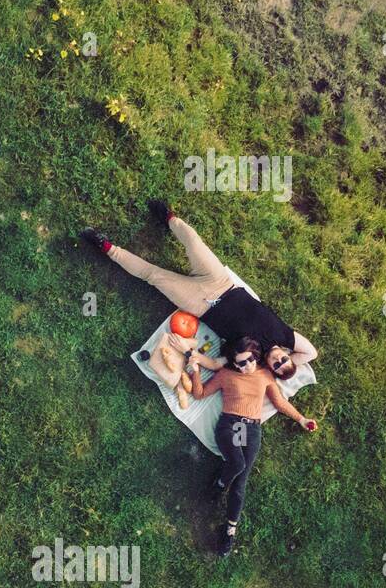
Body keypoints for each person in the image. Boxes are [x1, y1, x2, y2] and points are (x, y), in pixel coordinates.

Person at [82, 200, 318, 378]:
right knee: (195, 243)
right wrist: (290, 364)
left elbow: (216, 364)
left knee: (153, 275)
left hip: (200, 305)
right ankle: (169, 218)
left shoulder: (247, 360)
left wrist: (261, 371)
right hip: (221, 283)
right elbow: (311, 353)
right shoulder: (285, 336)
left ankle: (106, 247)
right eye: (284, 360)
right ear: (287, 353)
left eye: (277, 367)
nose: (277, 361)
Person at [186, 337, 317, 556]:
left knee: (241, 482)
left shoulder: (265, 375)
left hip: (253, 429)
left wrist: (301, 419)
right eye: (240, 363)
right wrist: (195, 370)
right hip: (233, 425)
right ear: (234, 364)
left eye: (249, 360)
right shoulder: (226, 375)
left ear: (255, 356)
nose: (246, 366)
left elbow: (279, 402)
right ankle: (218, 485)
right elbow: (199, 394)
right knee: (237, 463)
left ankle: (229, 531)